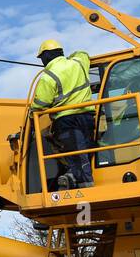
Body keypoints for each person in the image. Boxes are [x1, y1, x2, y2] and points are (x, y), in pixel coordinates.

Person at [30, 39, 95, 188]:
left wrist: (31, 114)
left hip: (66, 120)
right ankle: (79, 177)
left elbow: (40, 104)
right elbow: (83, 53)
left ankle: (85, 186)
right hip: (87, 116)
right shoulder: (79, 63)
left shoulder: (48, 76)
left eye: (42, 58)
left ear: (46, 56)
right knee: (87, 149)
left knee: (76, 153)